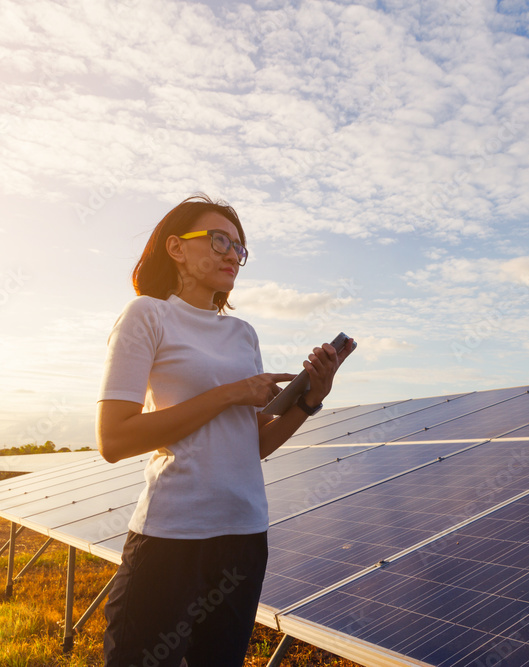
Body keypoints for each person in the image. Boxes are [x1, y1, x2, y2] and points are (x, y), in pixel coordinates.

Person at [96, 194, 352, 666]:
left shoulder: (243, 334)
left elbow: (251, 445)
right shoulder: (147, 316)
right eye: (219, 241)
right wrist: (231, 393)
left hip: (244, 536)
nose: (232, 254)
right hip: (171, 536)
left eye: (239, 247)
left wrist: (311, 398)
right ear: (176, 248)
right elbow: (115, 439)